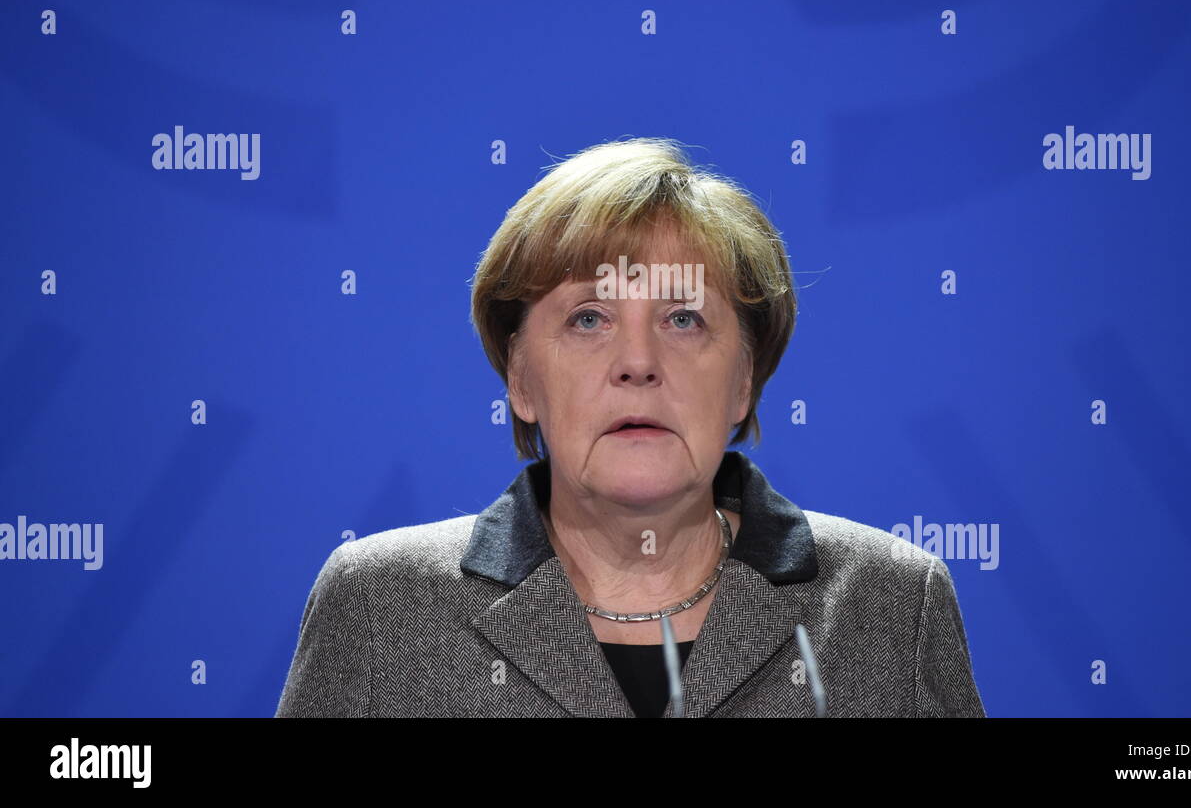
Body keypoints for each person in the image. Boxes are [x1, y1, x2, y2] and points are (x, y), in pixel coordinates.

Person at [275, 137, 986, 717]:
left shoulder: (890, 605)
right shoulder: (380, 606)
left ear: (743, 380)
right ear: (520, 378)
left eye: (684, 319)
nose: (639, 362)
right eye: (589, 319)